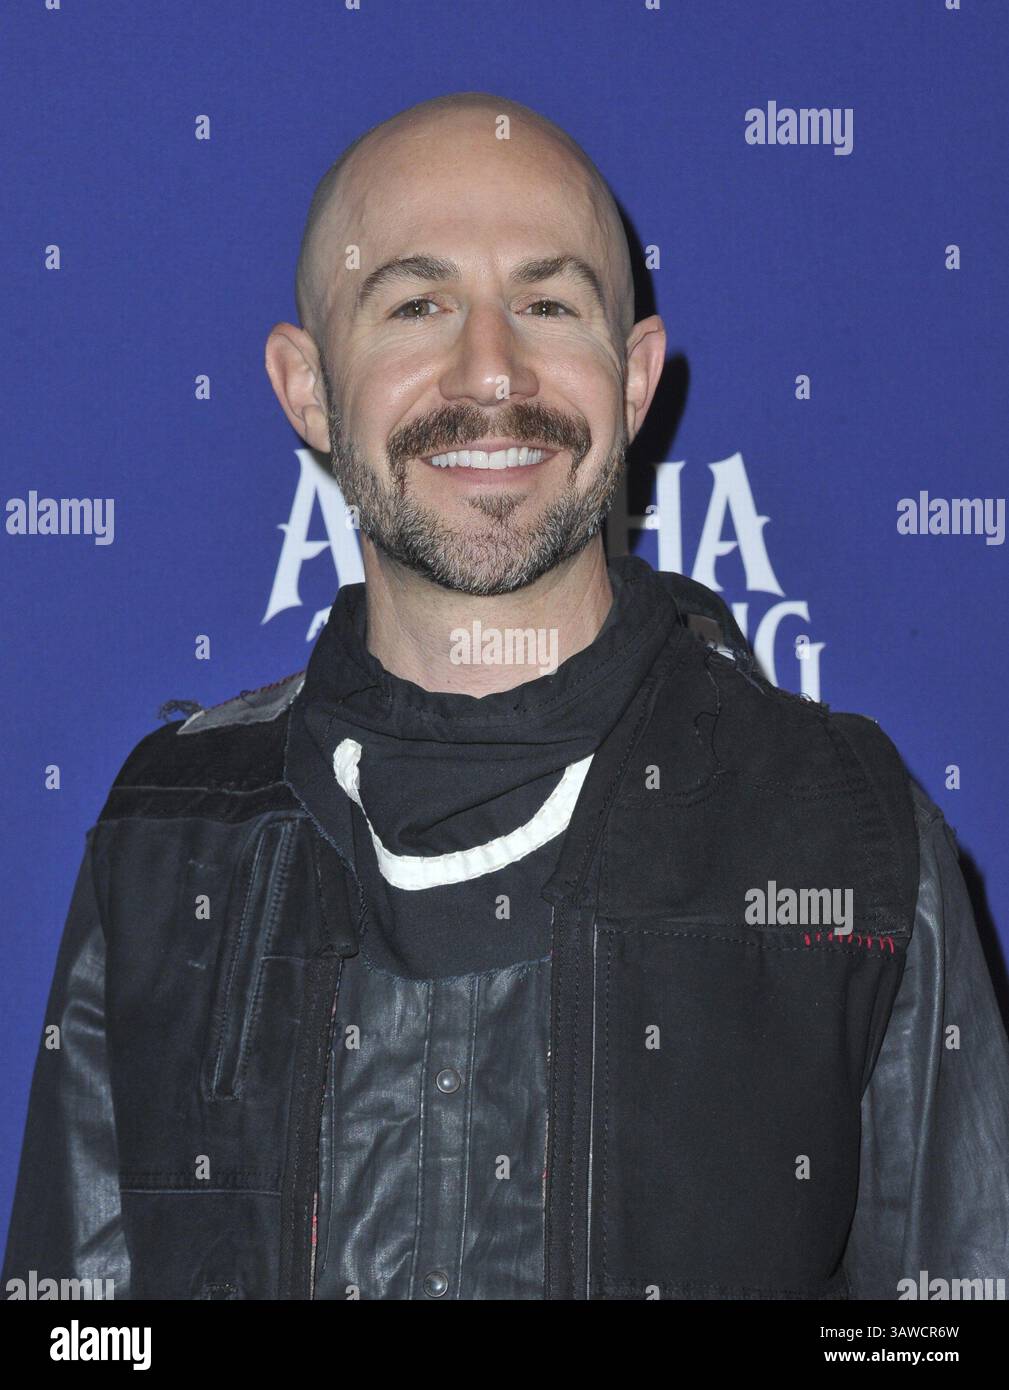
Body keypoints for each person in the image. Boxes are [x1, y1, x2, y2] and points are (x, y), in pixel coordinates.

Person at [4, 92, 1008, 1302]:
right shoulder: (172, 831)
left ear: (633, 382)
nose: (492, 370)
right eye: (418, 304)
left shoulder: (846, 831)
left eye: (547, 303)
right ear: (309, 388)